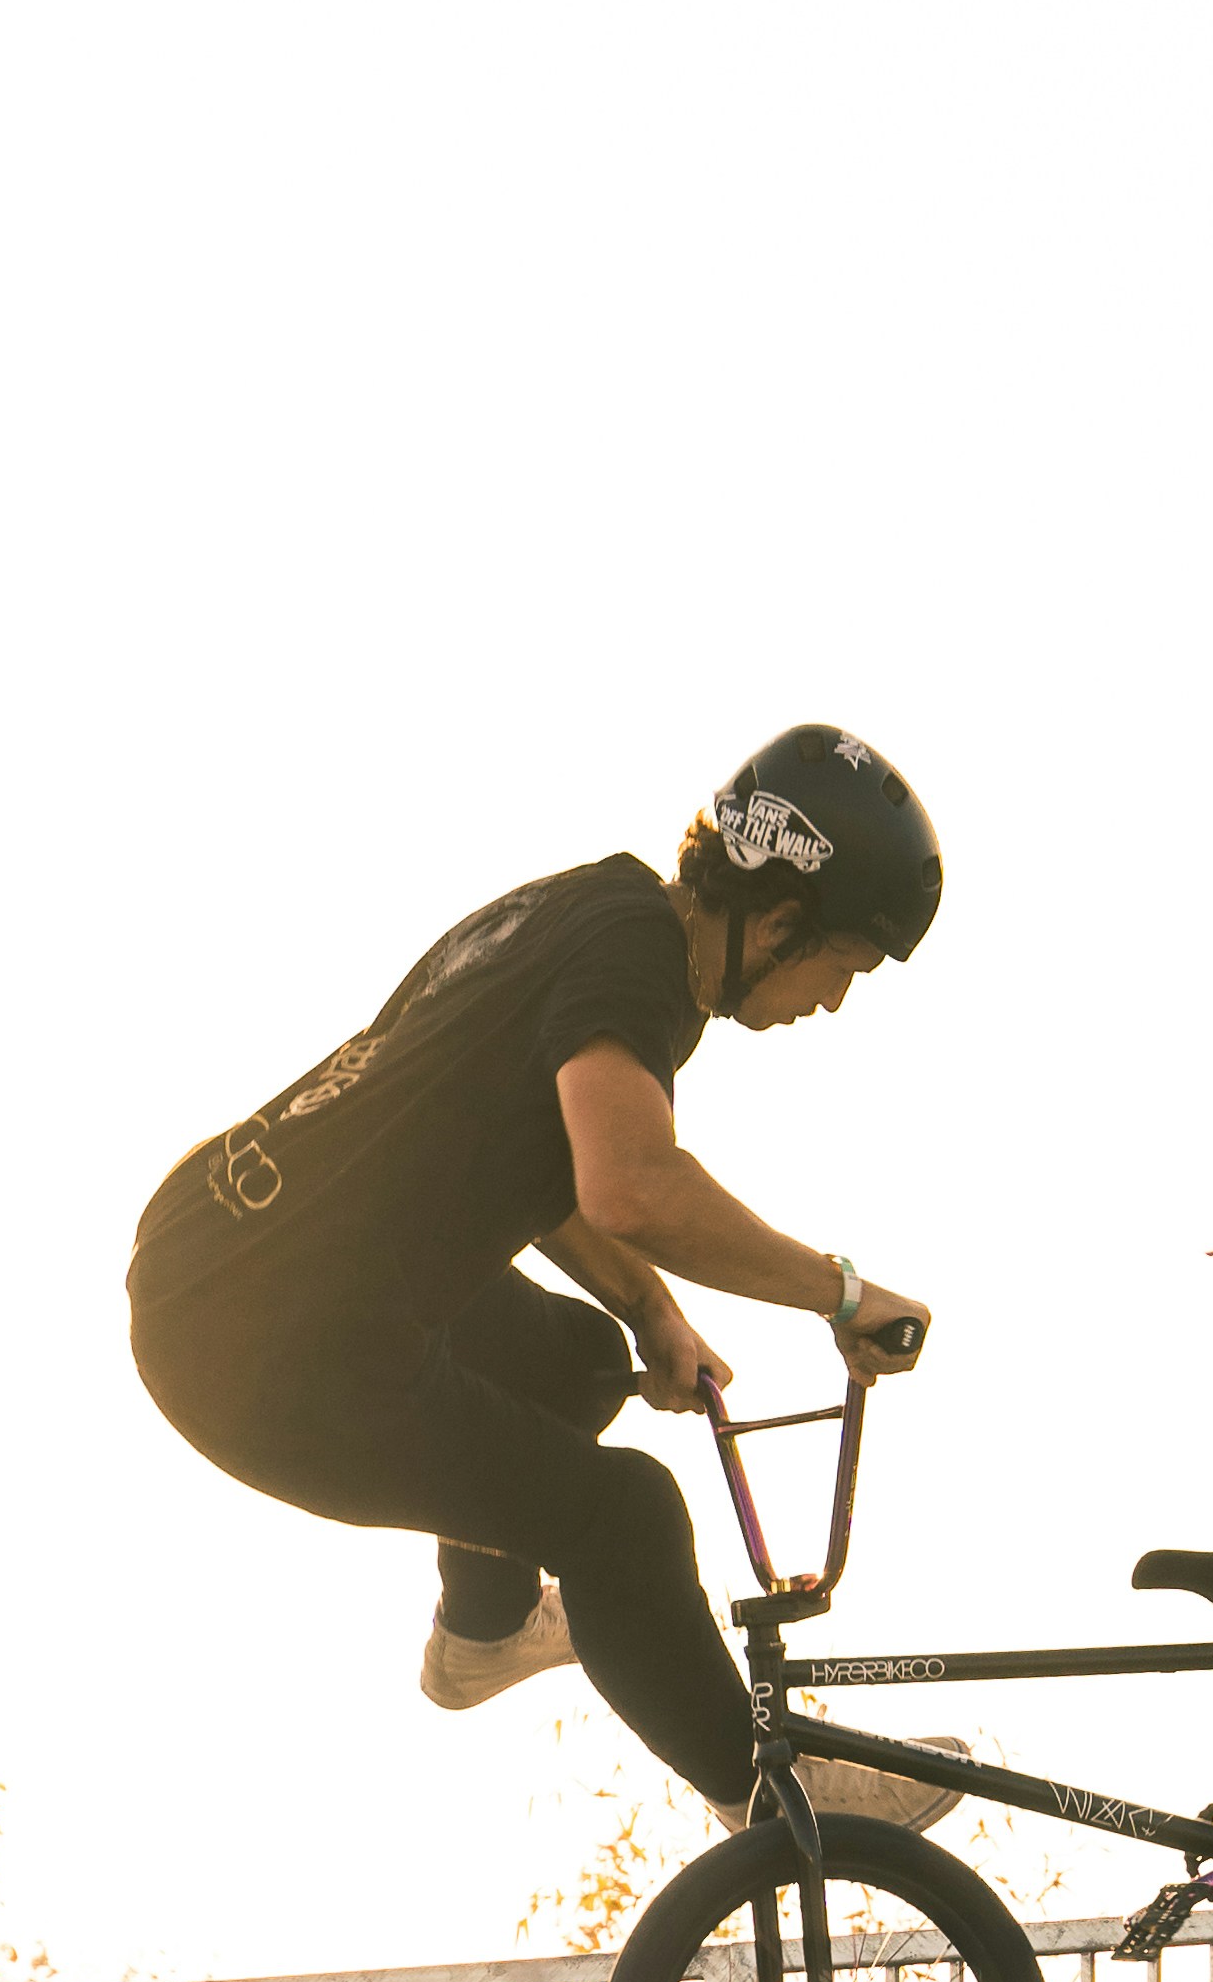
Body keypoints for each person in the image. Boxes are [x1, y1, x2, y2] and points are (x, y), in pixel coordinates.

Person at [128, 725, 964, 1832]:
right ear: (777, 923)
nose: (836, 1002)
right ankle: (774, 1801)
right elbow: (632, 1184)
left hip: (224, 1248)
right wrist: (842, 1294)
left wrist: (650, 1309)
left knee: (574, 1360)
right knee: (626, 1519)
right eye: (844, 967)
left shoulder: (591, 907)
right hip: (284, 1344)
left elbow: (550, 1162)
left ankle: (481, 1634)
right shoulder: (638, 970)